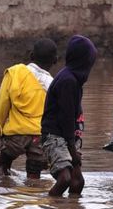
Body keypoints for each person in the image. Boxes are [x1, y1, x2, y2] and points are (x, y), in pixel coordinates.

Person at [0, 38, 58, 179]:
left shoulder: (15, 73)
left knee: (3, 169)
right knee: (34, 178)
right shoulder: (53, 84)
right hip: (39, 137)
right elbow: (55, 114)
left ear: (31, 56)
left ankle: (4, 188)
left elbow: (2, 104)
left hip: (15, 136)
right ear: (55, 60)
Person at [40, 35, 97, 197]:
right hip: (56, 137)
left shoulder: (74, 80)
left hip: (69, 138)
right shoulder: (68, 81)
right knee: (65, 179)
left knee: (77, 182)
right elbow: (65, 118)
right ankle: (48, 205)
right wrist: (72, 151)